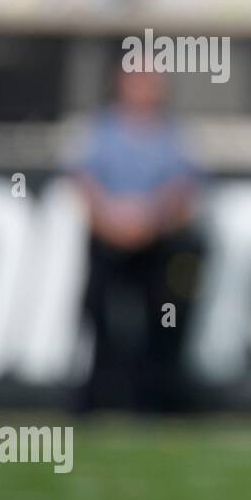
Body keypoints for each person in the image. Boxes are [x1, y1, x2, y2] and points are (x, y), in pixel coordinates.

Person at [69, 67, 201, 413]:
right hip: (106, 242)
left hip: (157, 243)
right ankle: (96, 397)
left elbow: (186, 187)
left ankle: (154, 398)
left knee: (162, 318)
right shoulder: (102, 129)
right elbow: (84, 181)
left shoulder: (173, 133)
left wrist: (149, 219)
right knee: (97, 315)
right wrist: (112, 219)